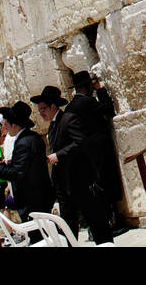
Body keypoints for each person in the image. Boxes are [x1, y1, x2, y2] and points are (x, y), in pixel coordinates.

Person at [35, 84, 113, 244]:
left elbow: (81, 142)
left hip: (80, 181)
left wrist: (58, 155)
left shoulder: (68, 119)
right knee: (68, 225)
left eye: (43, 109)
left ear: (53, 106)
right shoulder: (52, 127)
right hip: (65, 185)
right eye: (39, 110)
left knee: (95, 220)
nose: (40, 113)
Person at [0, 102, 53, 231]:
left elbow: (17, 172)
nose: (6, 127)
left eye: (7, 124)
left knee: (39, 237)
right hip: (41, 195)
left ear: (15, 125)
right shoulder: (34, 137)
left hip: (31, 200)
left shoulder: (22, 143)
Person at [74, 70, 126, 230]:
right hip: (99, 150)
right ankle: (112, 223)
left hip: (86, 152)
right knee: (106, 184)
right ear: (87, 86)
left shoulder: (73, 105)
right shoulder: (88, 102)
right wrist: (100, 89)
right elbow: (109, 109)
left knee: (98, 186)